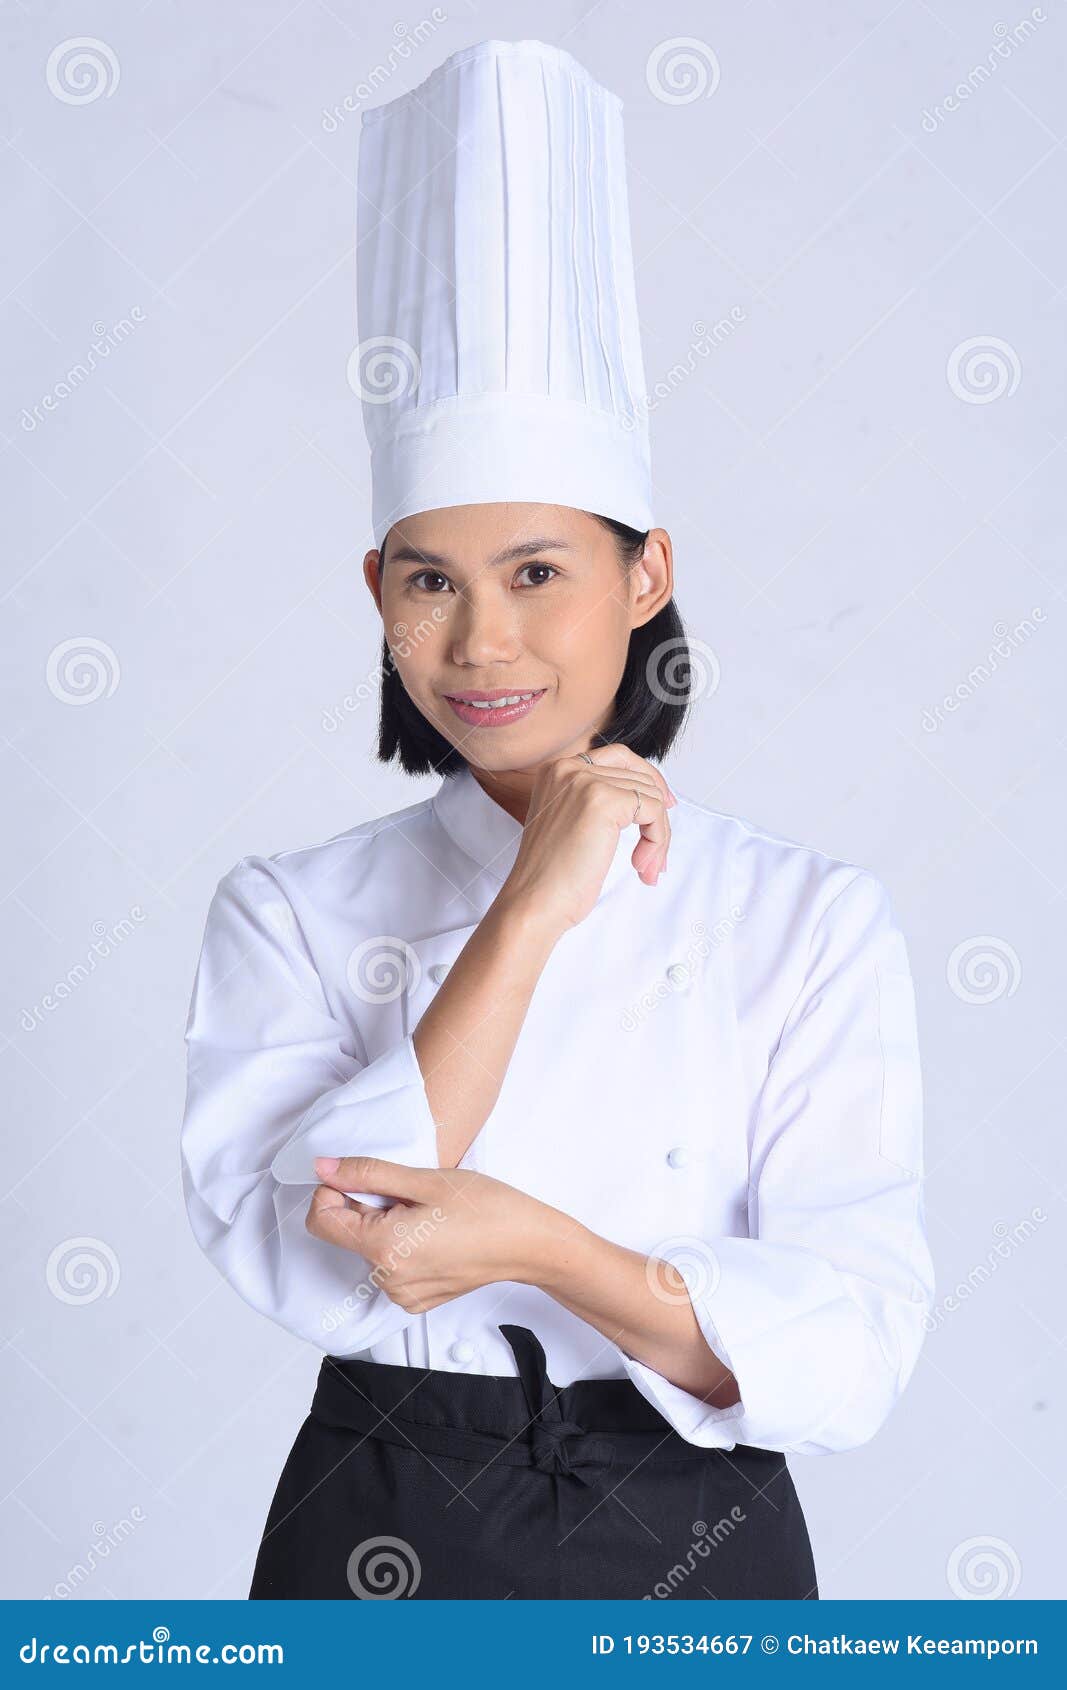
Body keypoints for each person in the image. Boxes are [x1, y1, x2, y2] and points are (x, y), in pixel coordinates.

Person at [180, 38, 935, 1602]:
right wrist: (530, 908)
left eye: (538, 572)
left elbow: (854, 1348)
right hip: (377, 1523)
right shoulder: (291, 908)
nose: (482, 643)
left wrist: (543, 1245)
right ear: (376, 596)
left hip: (700, 1537)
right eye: (430, 582)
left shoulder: (807, 917)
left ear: (645, 573)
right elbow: (333, 1252)